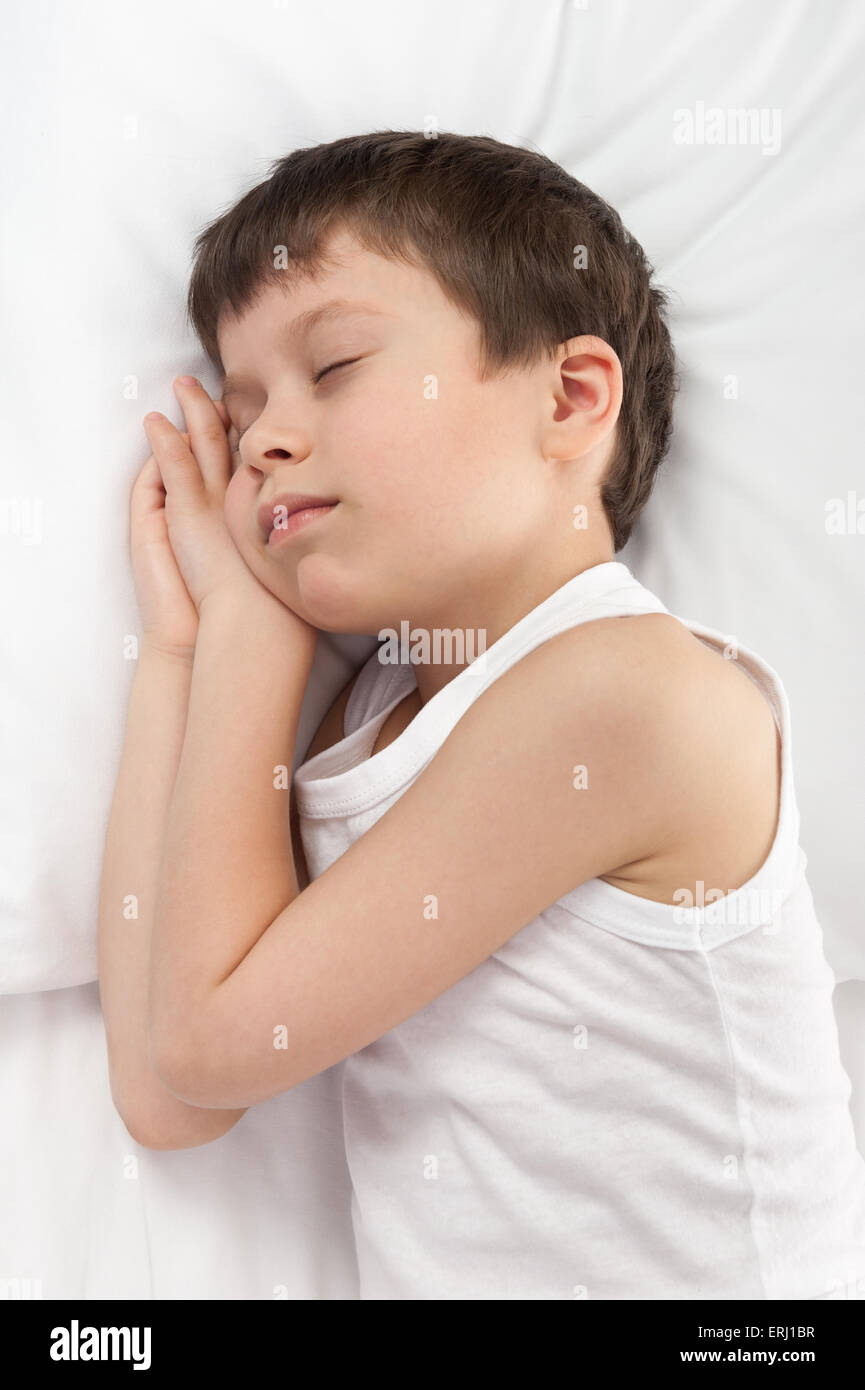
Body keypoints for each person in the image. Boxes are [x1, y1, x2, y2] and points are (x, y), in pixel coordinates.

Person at [99, 130, 865, 1299]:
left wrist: (254, 636)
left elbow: (206, 1042)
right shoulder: (373, 723)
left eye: (338, 364)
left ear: (569, 398)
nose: (259, 442)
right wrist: (182, 647)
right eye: (242, 405)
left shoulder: (625, 696)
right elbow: (169, 1095)